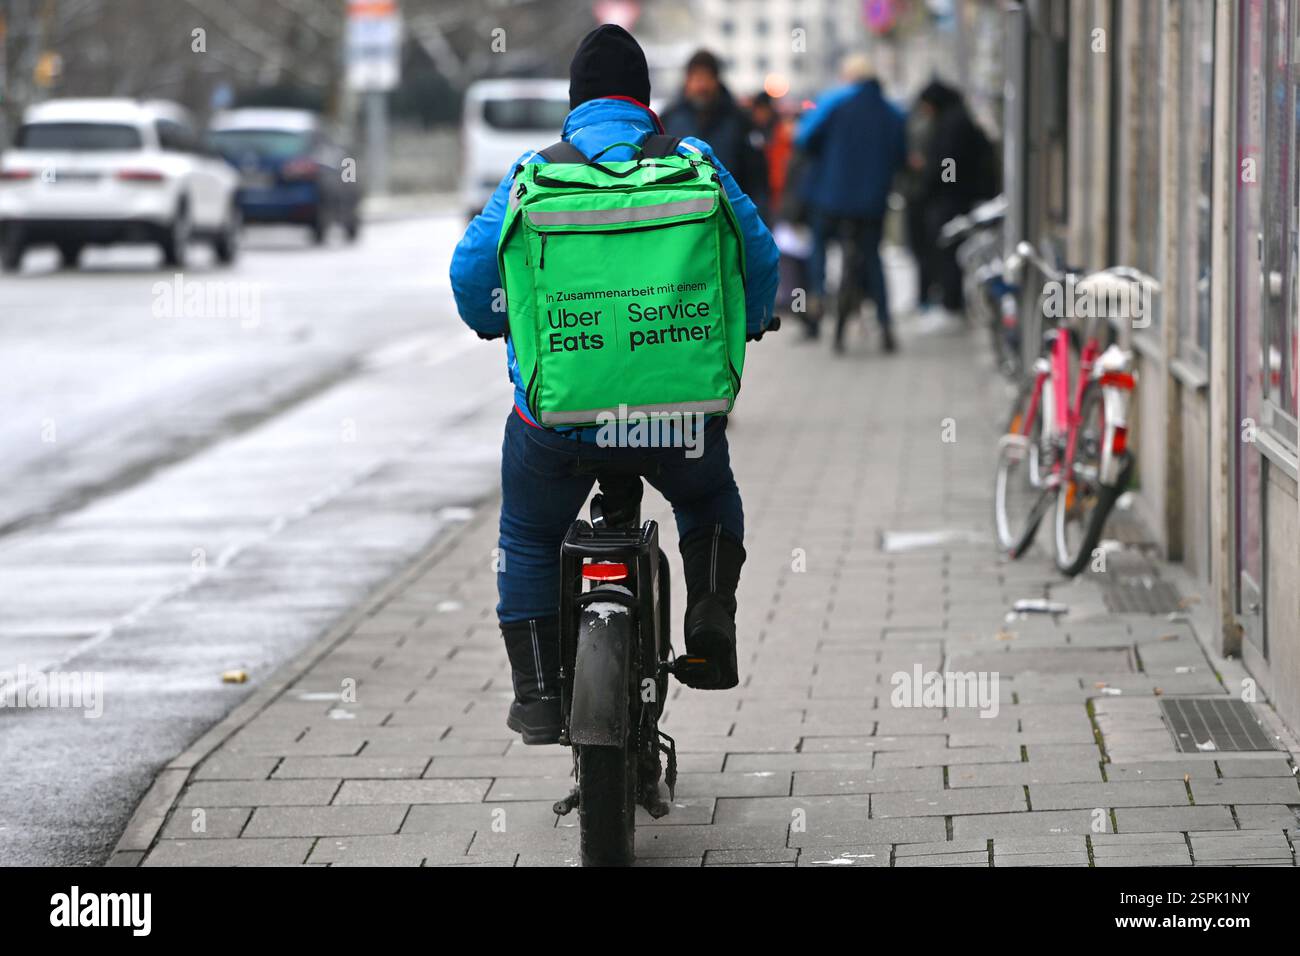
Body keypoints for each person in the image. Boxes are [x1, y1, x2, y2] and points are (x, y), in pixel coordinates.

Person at [449, 24, 780, 746]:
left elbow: (471, 283)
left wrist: (495, 321)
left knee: (531, 536)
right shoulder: (696, 163)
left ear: (575, 102)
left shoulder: (533, 174)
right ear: (646, 100)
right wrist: (753, 321)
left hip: (559, 424)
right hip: (676, 420)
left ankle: (537, 691)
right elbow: (757, 256)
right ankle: (710, 621)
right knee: (706, 497)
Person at [796, 53, 906, 354]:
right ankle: (885, 323)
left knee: (819, 240)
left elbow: (804, 138)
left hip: (832, 197)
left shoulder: (834, 101)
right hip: (872, 201)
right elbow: (901, 155)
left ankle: (818, 292)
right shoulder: (892, 111)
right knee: (872, 257)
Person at [915, 80, 1000, 316]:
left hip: (951, 198)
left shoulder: (952, 123)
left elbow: (949, 160)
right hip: (955, 195)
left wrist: (943, 183)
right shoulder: (957, 118)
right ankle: (951, 301)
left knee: (947, 249)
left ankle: (951, 303)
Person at [660, 49, 769, 218]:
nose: (701, 85)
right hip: (681, 219)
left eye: (706, 77)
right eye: (696, 78)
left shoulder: (739, 121)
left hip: (730, 216)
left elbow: (756, 177)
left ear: (716, 80)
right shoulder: (669, 118)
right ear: (687, 81)